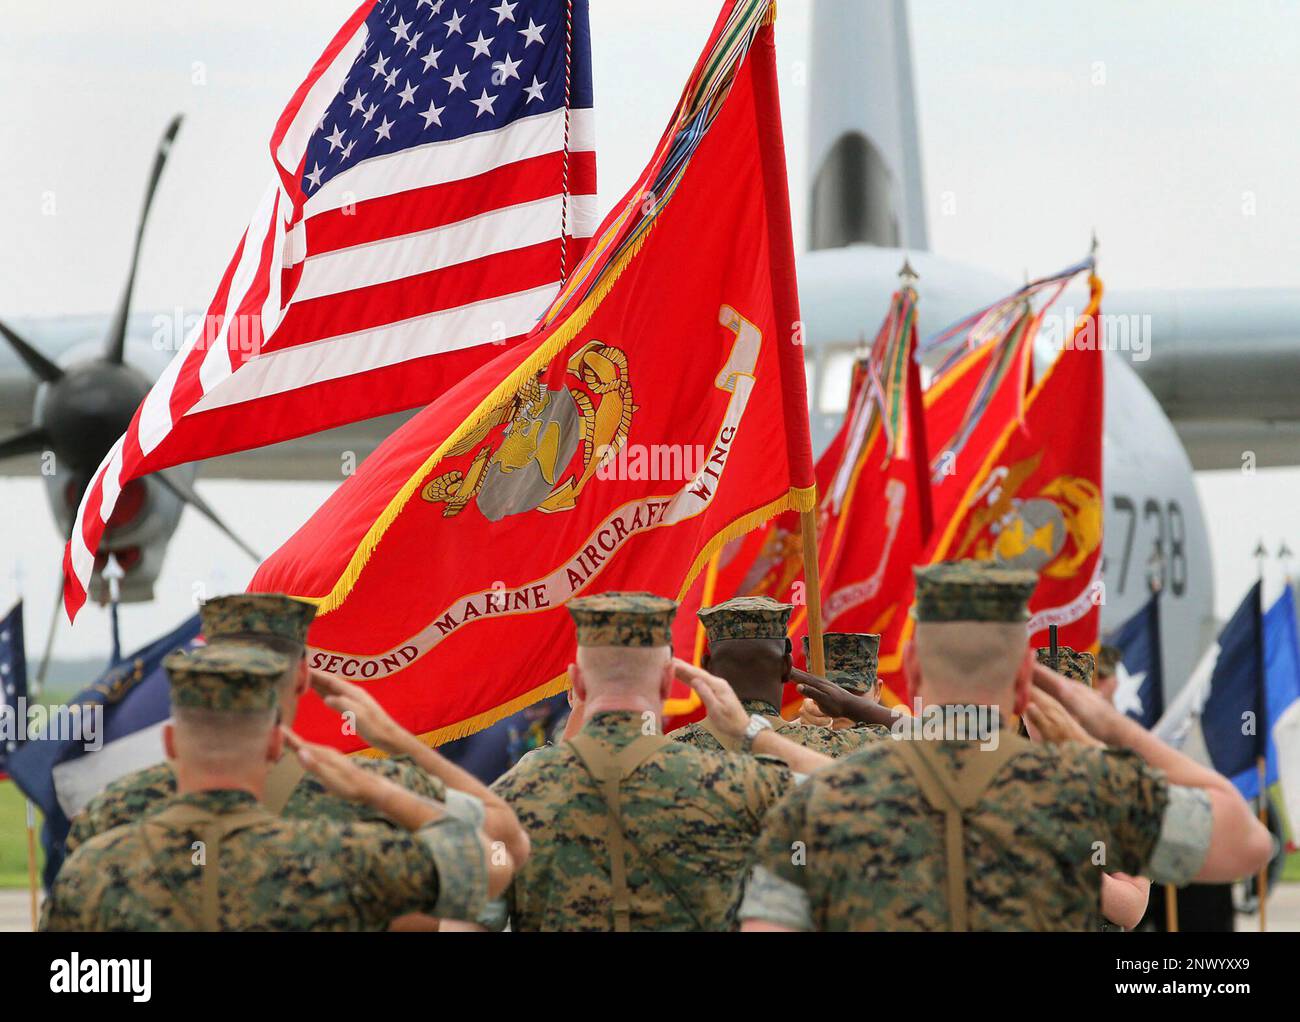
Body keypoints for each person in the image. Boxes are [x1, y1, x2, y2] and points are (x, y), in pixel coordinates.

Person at [738, 559, 1274, 932]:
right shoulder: (1098, 789)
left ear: (916, 673)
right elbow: (1248, 841)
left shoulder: (822, 803)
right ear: (1026, 682)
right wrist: (1113, 731)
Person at [41, 644, 514, 931]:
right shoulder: (340, 858)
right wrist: (376, 789)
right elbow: (490, 862)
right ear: (275, 744)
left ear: (170, 742)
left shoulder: (93, 873)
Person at [67, 593, 527, 870]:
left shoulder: (114, 810)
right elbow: (504, 849)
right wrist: (398, 740)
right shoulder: (375, 798)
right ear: (305, 680)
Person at [469, 592, 833, 932]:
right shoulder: (736, 782)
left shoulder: (509, 799)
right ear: (665, 683)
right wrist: (753, 732)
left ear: (577, 685)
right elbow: (865, 792)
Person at [671, 598, 886, 756]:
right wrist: (851, 705)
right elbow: (915, 733)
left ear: (707, 668)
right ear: (787, 667)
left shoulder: (669, 751)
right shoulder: (832, 749)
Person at [795, 632, 898, 735]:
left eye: (852, 691)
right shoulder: (790, 738)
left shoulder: (900, 742)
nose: (838, 701)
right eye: (828, 691)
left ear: (877, 691)